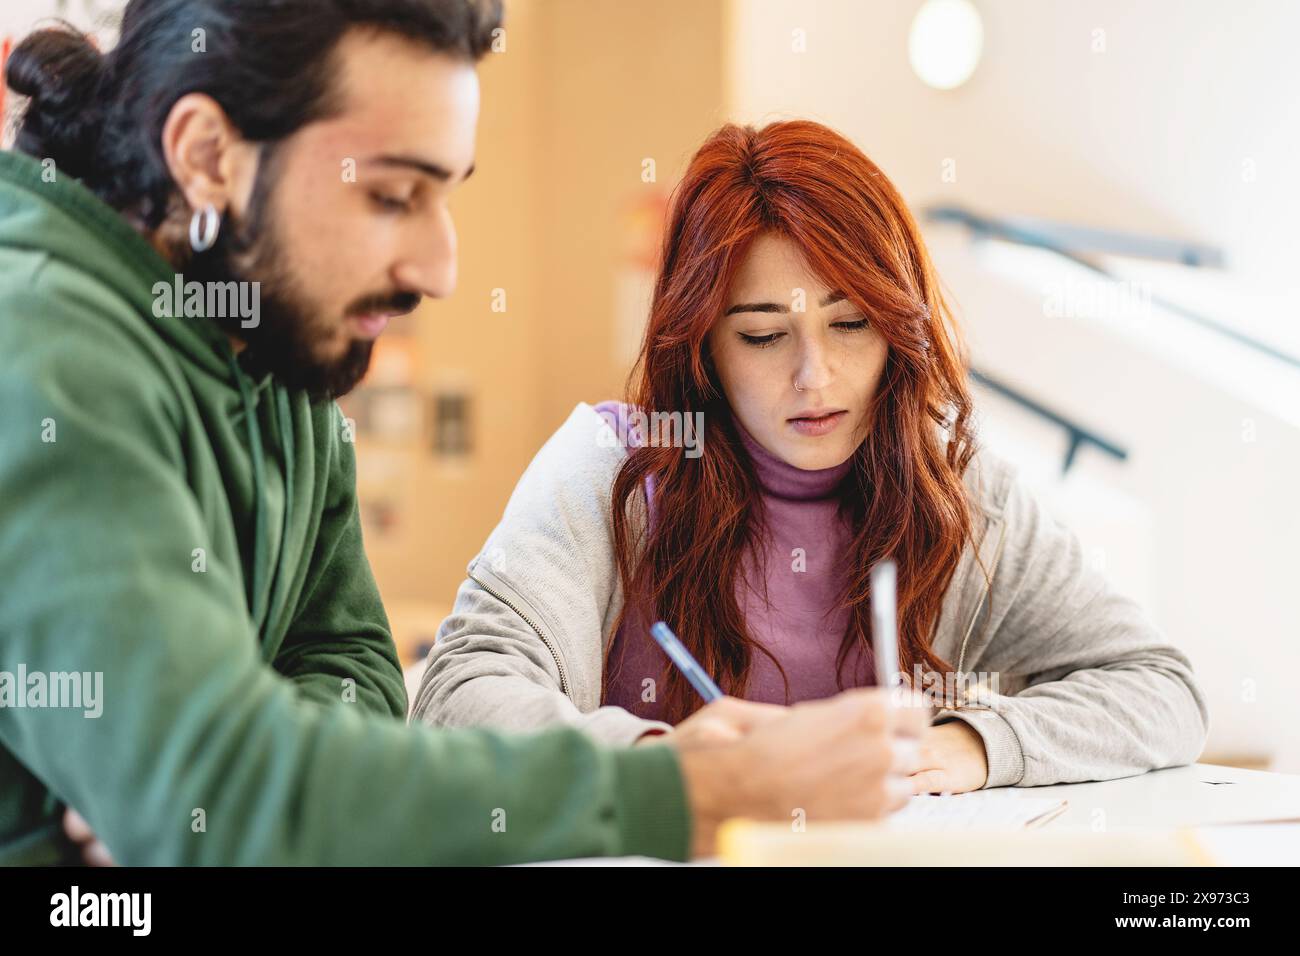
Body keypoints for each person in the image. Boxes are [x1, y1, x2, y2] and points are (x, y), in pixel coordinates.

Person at [0, 2, 923, 867]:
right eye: (394, 196)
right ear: (206, 156)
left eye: (446, 195)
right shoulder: (44, 355)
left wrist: (255, 779)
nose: (442, 266)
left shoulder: (274, 350)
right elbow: (212, 794)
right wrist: (692, 789)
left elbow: (352, 668)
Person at [414, 120, 1209, 794]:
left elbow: (1159, 688)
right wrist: (668, 770)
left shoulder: (956, 492)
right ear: (702, 349)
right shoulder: (611, 470)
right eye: (762, 335)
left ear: (899, 326)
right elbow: (458, 697)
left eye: (852, 324)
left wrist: (968, 747)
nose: (815, 377)